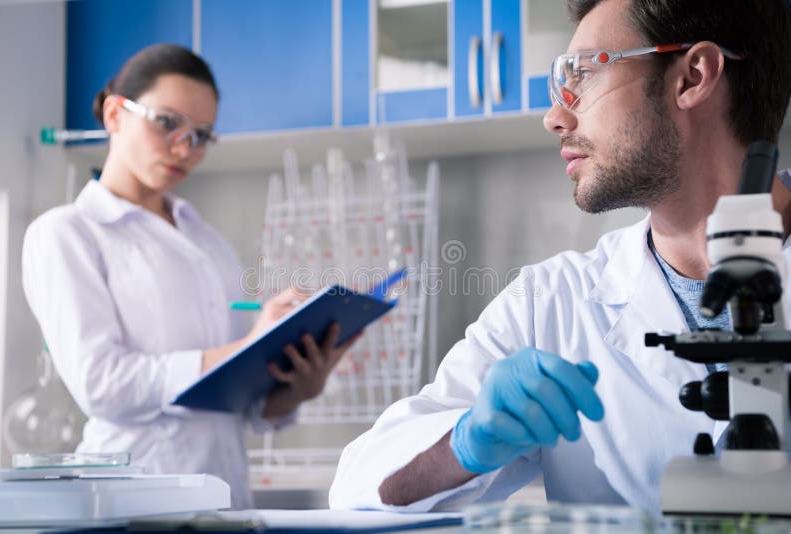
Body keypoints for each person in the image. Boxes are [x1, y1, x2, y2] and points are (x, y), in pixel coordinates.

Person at [330, 0, 791, 516]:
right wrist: (465, 442)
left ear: (692, 76)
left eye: (584, 73)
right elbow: (357, 487)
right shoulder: (551, 304)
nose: (555, 115)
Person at [22, 44, 357, 510]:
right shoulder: (66, 233)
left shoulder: (209, 245)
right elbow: (101, 385)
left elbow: (232, 404)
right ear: (116, 114)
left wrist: (294, 386)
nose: (186, 147)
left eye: (202, 135)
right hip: (131, 504)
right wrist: (244, 347)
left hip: (226, 501)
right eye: (167, 123)